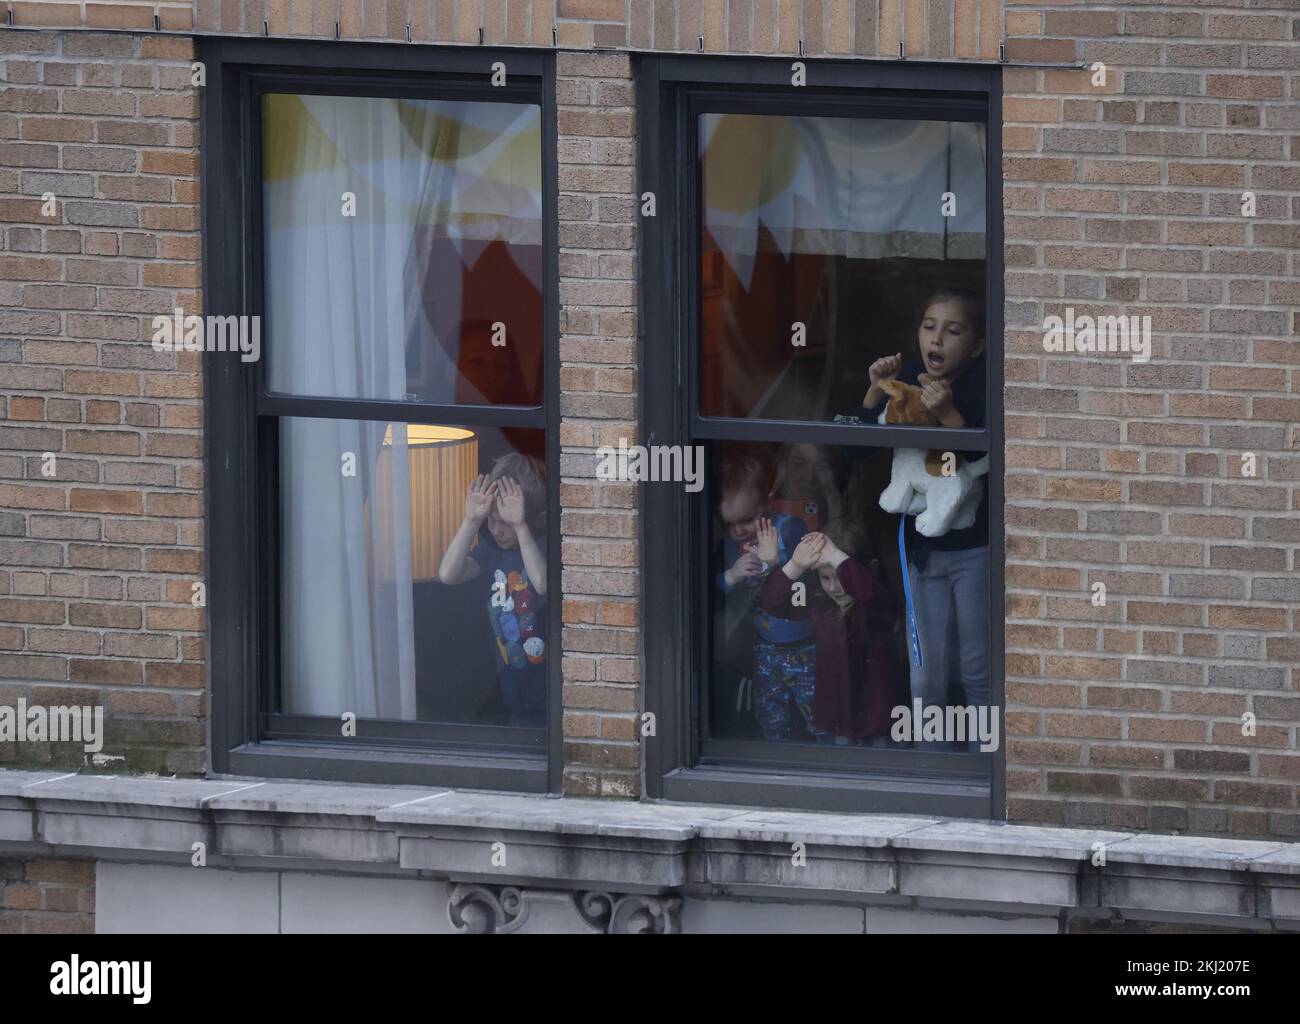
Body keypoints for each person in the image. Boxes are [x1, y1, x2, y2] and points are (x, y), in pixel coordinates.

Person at [859, 288, 990, 749]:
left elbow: (982, 460)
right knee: (926, 671)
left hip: (976, 550)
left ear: (976, 345)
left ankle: (983, 764)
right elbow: (861, 445)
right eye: (929, 327)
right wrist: (876, 391)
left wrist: (949, 415)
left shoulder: (981, 387)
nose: (937, 339)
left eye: (953, 331)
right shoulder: (911, 386)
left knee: (976, 665)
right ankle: (932, 763)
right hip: (922, 551)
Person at [756, 520, 904, 743]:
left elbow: (869, 592)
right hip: (837, 719)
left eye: (841, 576)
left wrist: (835, 555)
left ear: (869, 570)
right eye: (825, 578)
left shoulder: (876, 605)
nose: (834, 587)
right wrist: (795, 564)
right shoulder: (820, 603)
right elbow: (771, 602)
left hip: (878, 721)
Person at [713, 452, 823, 742]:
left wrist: (772, 560)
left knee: (818, 714)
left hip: (804, 645)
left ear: (766, 503)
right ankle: (777, 762)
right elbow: (710, 591)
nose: (738, 531)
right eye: (728, 524)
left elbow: (807, 577)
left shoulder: (789, 528)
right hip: (764, 647)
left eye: (747, 520)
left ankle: (825, 762)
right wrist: (733, 575)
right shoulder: (728, 545)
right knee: (770, 714)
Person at [438, 453, 547, 727]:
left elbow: (542, 584)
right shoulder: (490, 551)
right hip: (514, 691)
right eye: (492, 520)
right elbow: (448, 574)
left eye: (505, 522)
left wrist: (520, 527)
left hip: (549, 693)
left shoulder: (540, 547)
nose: (497, 530)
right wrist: (472, 521)